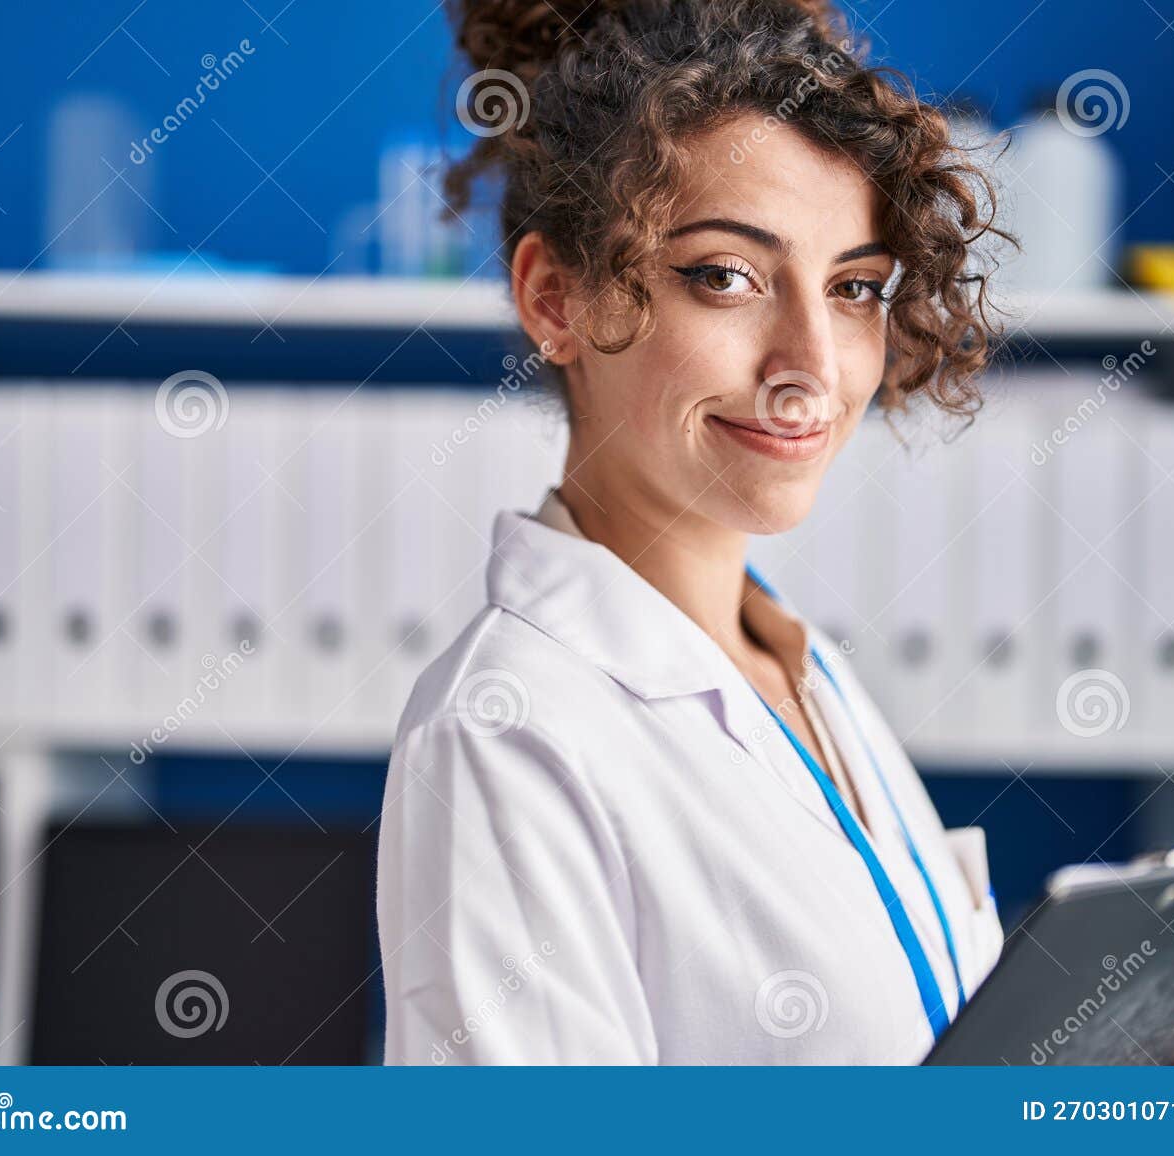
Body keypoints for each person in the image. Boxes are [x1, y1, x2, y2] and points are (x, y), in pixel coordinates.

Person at [378, 0, 1012, 1064]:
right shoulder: (506, 730)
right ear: (554, 298)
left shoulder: (795, 669)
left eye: (853, 288)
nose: (810, 360)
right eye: (726, 276)